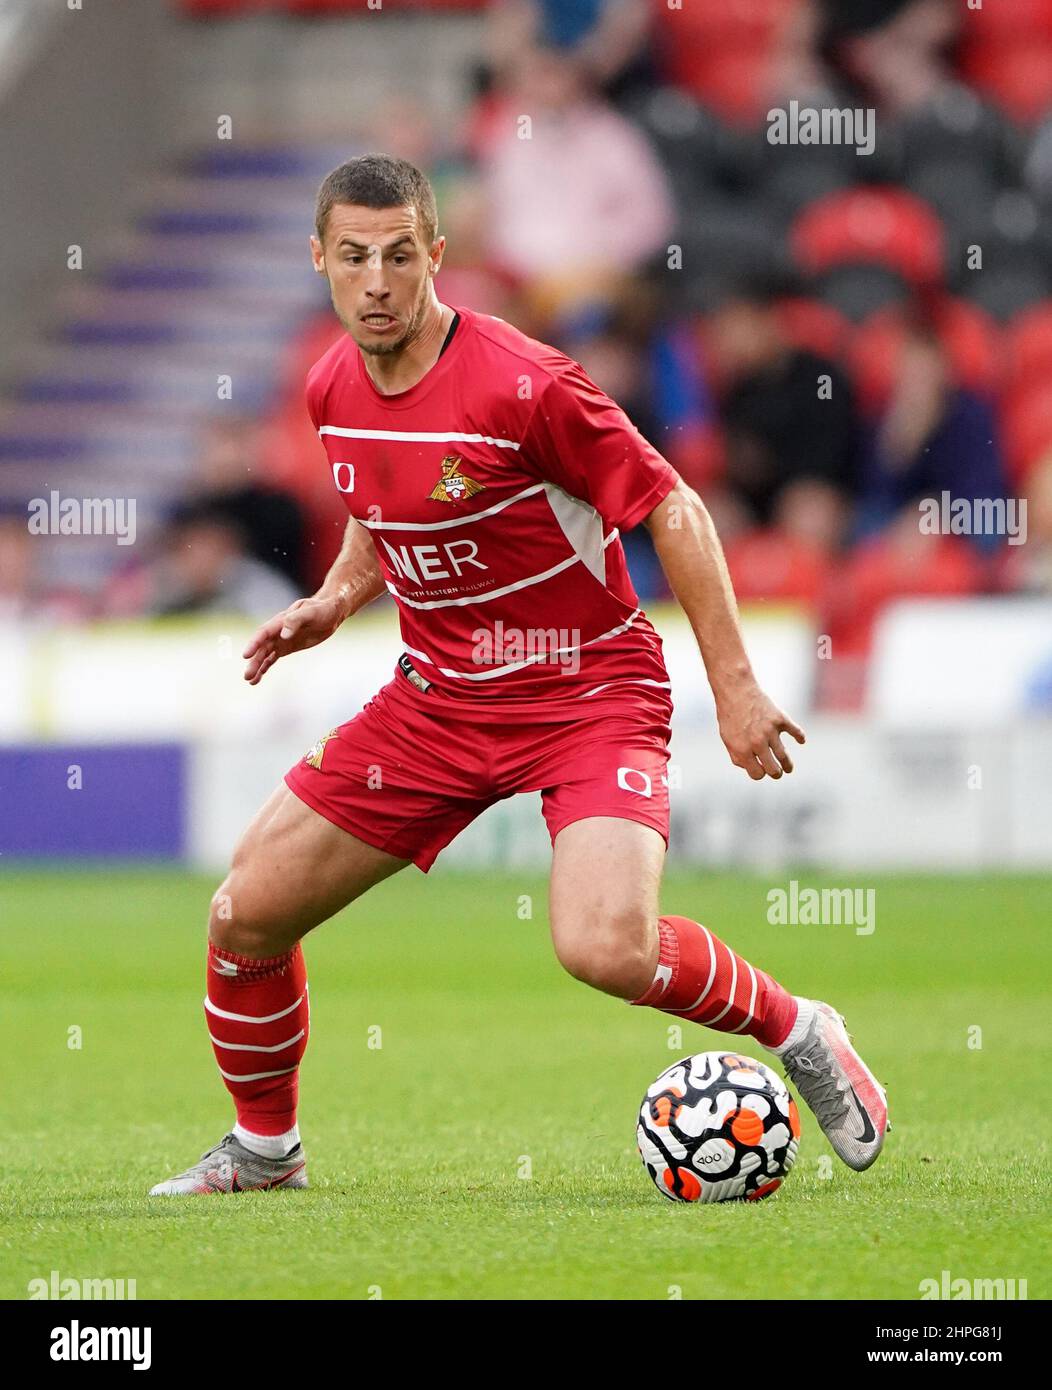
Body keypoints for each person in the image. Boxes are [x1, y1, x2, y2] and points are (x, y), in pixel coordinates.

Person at [150, 156, 888, 1197]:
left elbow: (670, 506)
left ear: (435, 257)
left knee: (603, 947)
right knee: (245, 914)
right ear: (317, 259)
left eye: (399, 256)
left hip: (585, 691)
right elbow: (382, 501)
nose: (376, 282)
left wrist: (732, 686)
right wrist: (334, 596)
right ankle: (266, 1150)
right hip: (438, 699)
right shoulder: (327, 384)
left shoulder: (523, 381)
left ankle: (800, 1027)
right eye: (353, 258)